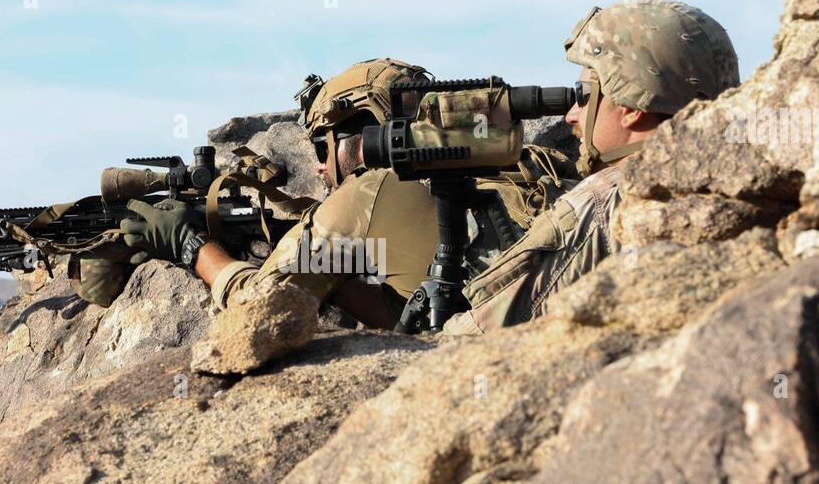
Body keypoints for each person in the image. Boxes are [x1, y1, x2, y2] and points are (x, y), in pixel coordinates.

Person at [118, 58, 531, 328]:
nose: (319, 165)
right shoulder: (515, 166)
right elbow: (426, 295)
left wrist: (193, 247)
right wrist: (335, 279)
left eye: (322, 146)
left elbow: (261, 310)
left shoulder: (367, 193)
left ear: (363, 132)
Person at [446, 0, 741, 335]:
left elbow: (472, 338)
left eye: (584, 95)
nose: (572, 114)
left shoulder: (600, 201)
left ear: (632, 108)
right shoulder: (737, 182)